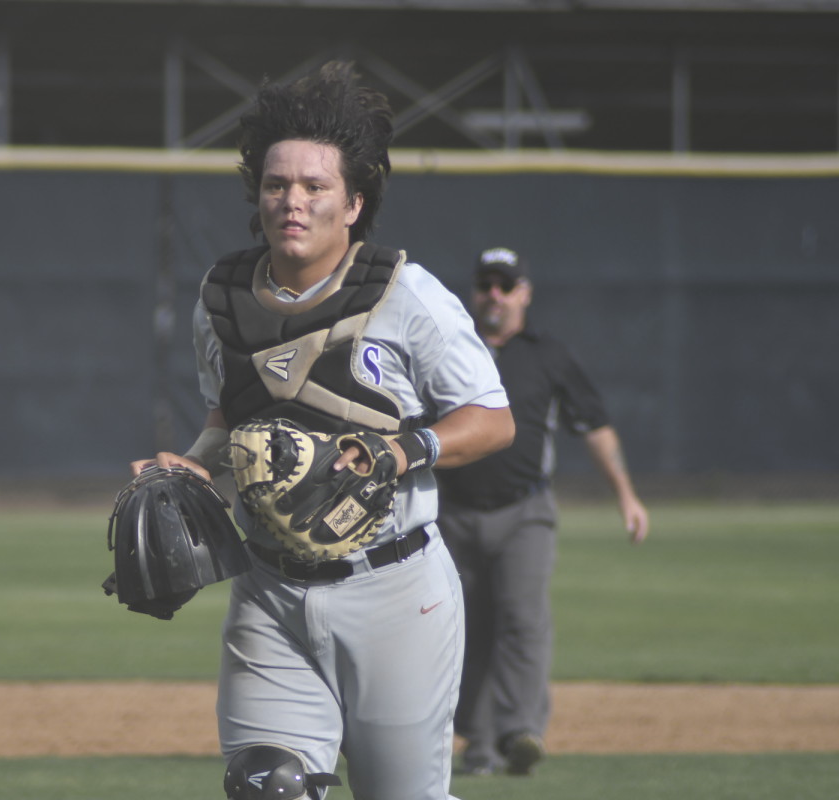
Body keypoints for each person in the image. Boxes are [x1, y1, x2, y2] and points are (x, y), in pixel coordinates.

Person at [130, 62, 514, 800]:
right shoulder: (220, 298)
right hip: (269, 588)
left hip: (395, 590)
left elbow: (492, 420)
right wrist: (187, 470)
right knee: (267, 787)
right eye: (277, 185)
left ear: (354, 201)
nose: (292, 202)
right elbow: (227, 422)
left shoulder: (407, 296)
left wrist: (406, 449)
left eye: (314, 187)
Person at [437, 245, 650, 777]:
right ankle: (479, 745)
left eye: (506, 285)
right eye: (486, 284)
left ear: (525, 293)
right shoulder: (448, 351)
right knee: (464, 629)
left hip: (524, 511)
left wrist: (625, 493)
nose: (494, 295)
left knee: (522, 617)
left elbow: (594, 425)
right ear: (474, 291)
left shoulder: (547, 354)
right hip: (453, 512)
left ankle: (519, 730)